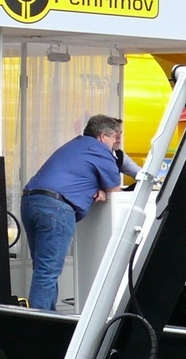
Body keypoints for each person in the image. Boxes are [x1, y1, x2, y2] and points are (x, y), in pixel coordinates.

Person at [21, 114, 140, 310]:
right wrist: (103, 189)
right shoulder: (102, 151)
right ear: (103, 137)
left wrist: (97, 188)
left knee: (42, 269)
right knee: (47, 271)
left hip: (30, 201)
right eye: (113, 137)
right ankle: (40, 327)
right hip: (56, 207)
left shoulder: (76, 145)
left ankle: (49, 316)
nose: (115, 142)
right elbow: (115, 192)